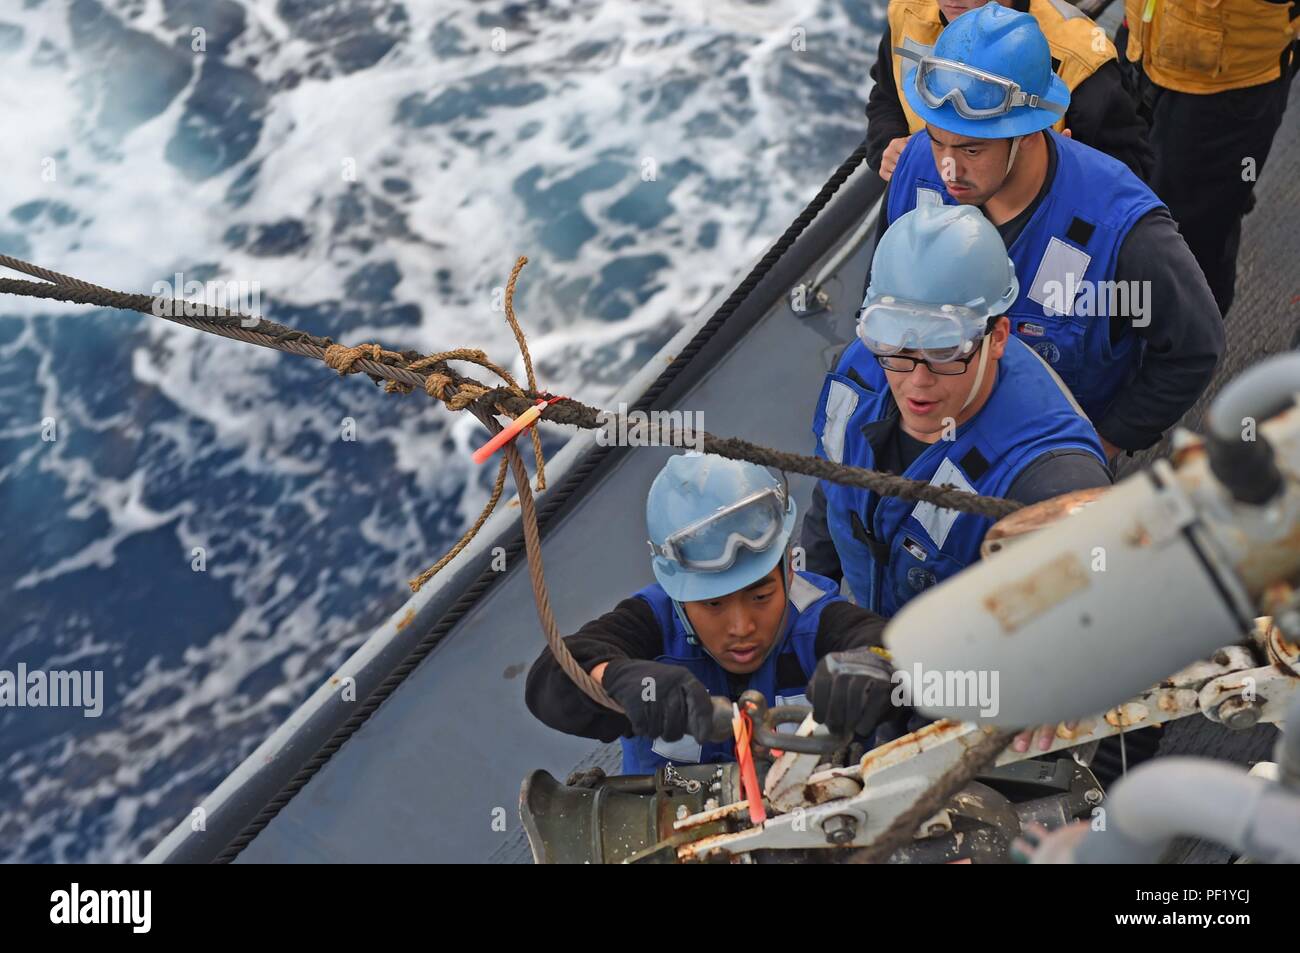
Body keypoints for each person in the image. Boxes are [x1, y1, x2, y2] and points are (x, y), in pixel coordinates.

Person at [875, 3, 1222, 462]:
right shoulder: (916, 169)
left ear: (1029, 133)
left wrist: (1102, 444)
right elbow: (880, 304)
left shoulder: (1122, 233)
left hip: (1045, 467)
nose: (947, 166)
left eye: (972, 148)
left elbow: (1194, 349)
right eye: (937, 139)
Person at [803, 202, 1112, 615]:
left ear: (997, 337)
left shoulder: (1051, 483)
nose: (916, 380)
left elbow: (1066, 645)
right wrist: (813, 617)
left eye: (944, 350)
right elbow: (832, 495)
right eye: (895, 342)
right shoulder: (860, 370)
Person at [525, 453, 895, 774]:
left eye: (761, 595)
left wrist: (871, 666)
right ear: (679, 594)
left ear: (788, 570)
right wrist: (619, 680)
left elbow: (885, 647)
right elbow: (549, 683)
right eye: (713, 603)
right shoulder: (653, 621)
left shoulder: (820, 621)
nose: (742, 627)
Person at [1117, 0, 1298, 317]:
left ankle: (1190, 345)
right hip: (1147, 41)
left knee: (1190, 240)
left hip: (1226, 85)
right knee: (1124, 195)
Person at [867, 0, 1154, 181]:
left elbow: (1126, 177)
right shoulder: (907, 14)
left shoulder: (1081, 63)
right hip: (925, 210)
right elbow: (887, 96)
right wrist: (888, 146)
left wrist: (1058, 175)